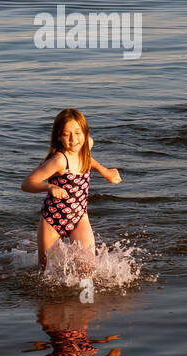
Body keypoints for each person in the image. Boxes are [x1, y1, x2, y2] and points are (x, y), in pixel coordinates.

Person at [21, 109, 121, 267]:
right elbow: (27, 183)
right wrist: (49, 187)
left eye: (78, 132)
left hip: (80, 217)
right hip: (53, 219)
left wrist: (105, 171)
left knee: (88, 267)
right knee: (46, 271)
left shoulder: (87, 144)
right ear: (59, 136)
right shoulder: (60, 160)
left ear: (85, 132)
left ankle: (85, 292)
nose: (74, 139)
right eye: (67, 134)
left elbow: (87, 158)